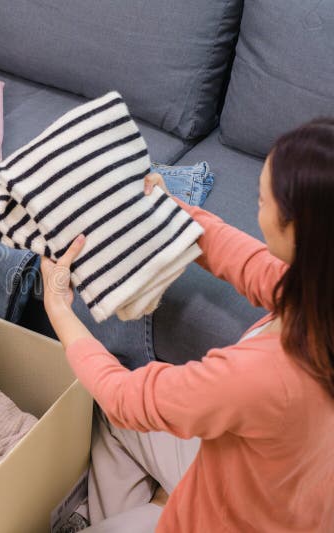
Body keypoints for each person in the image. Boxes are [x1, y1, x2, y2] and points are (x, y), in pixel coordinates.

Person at [41, 118, 334, 532]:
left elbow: (124, 397)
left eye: (263, 200)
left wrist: (59, 308)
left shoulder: (262, 374)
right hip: (285, 488)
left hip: (230, 519)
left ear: (299, 231)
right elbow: (245, 261)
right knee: (113, 423)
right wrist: (172, 209)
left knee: (117, 407)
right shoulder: (318, 289)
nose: (258, 205)